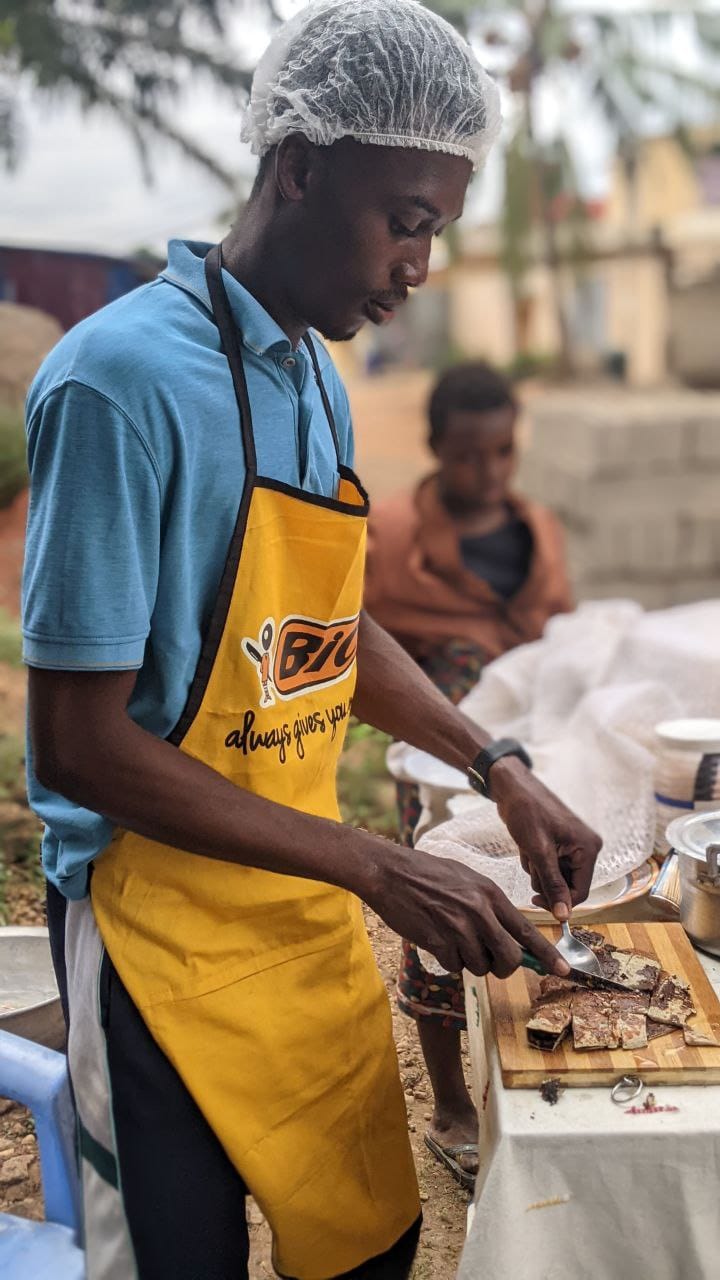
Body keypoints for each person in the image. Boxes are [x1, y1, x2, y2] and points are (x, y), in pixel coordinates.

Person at [22, 3, 600, 1278]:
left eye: (436, 231)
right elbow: (78, 742)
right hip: (153, 928)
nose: (418, 268)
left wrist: (493, 760)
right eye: (406, 220)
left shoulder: (312, 376)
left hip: (303, 902)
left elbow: (326, 624)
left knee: (369, 1247)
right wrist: (380, 866)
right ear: (295, 166)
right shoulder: (115, 382)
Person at [364, 361, 573, 1188]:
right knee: (439, 914)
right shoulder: (389, 536)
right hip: (439, 761)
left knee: (543, 896)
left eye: (503, 453)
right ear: (435, 449)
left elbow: (562, 645)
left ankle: (543, 1051)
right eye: (469, 456)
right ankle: (451, 1099)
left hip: (525, 756)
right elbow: (362, 648)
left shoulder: (539, 531)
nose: (488, 472)